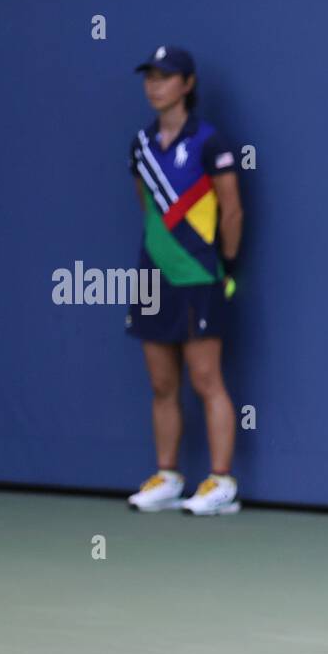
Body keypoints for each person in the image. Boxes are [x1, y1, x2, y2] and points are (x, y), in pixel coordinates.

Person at [124, 45, 244, 516]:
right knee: (160, 382)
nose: (155, 85)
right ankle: (169, 476)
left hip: (201, 276)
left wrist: (226, 265)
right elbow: (145, 205)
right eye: (149, 76)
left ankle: (220, 481)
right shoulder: (140, 145)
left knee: (205, 378)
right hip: (153, 277)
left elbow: (231, 209)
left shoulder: (211, 142)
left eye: (165, 76)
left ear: (187, 85)